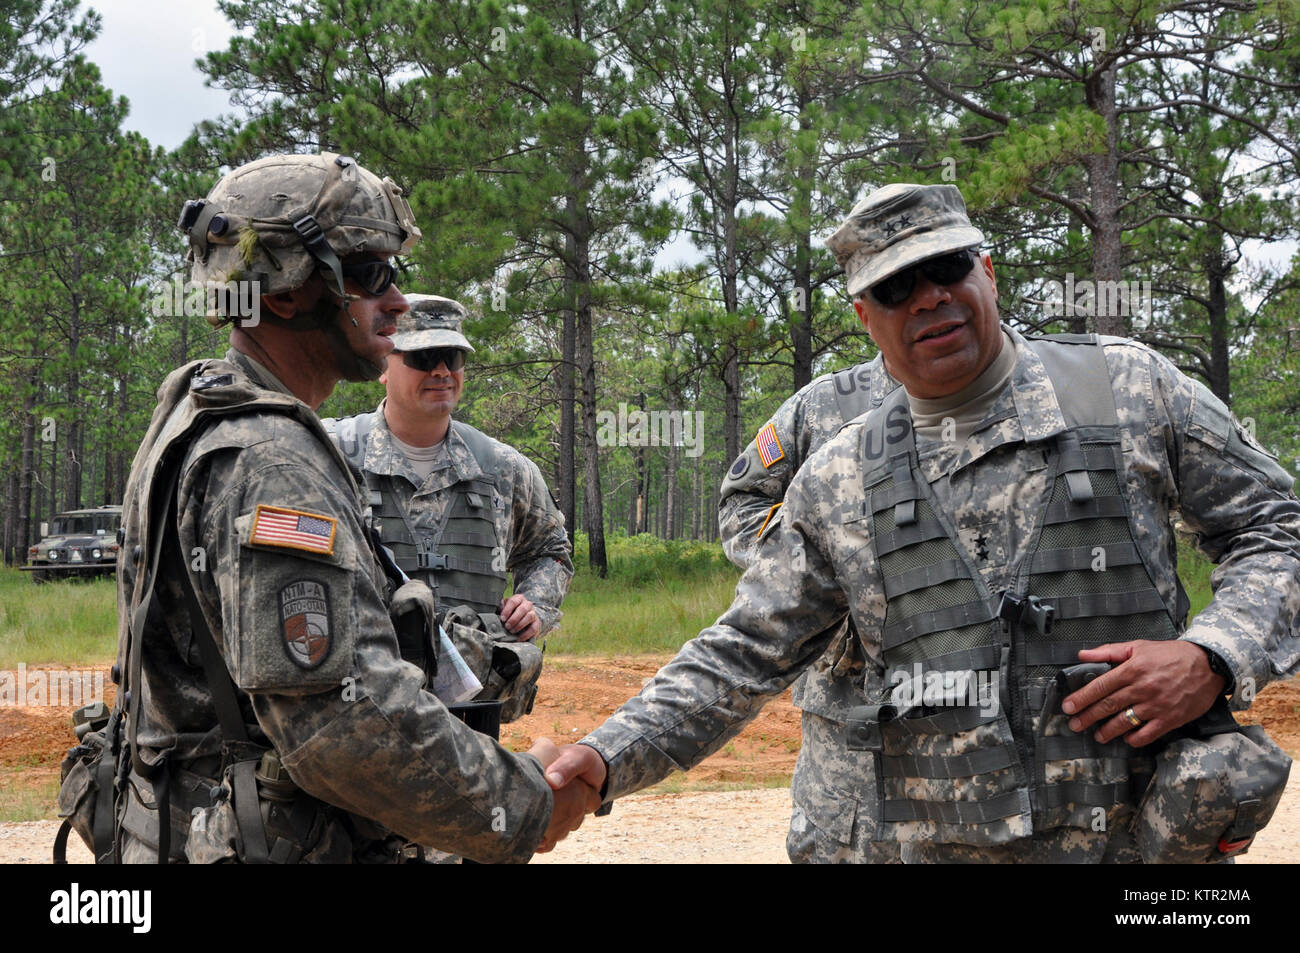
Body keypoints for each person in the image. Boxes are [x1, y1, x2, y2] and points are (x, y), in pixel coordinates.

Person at [542, 182, 1300, 861]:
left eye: (947, 269)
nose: (930, 297)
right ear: (865, 316)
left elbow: (1278, 528)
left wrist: (1213, 656)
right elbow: (742, 653)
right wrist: (603, 757)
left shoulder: (1130, 391)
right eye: (898, 286)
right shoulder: (838, 476)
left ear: (989, 273)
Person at [69, 152, 594, 864]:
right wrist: (524, 800)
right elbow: (341, 724)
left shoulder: (200, 408)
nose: (398, 303)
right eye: (368, 272)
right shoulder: (271, 461)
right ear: (283, 294)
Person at [324, 293, 573, 722]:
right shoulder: (332, 454)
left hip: (469, 712)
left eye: (453, 357)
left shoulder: (502, 467)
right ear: (384, 363)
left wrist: (534, 603)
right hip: (357, 709)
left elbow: (551, 549)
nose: (441, 371)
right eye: (423, 357)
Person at [719, 353, 901, 863]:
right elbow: (742, 503)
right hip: (847, 703)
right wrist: (821, 574)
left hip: (978, 691)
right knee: (837, 842)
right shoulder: (827, 403)